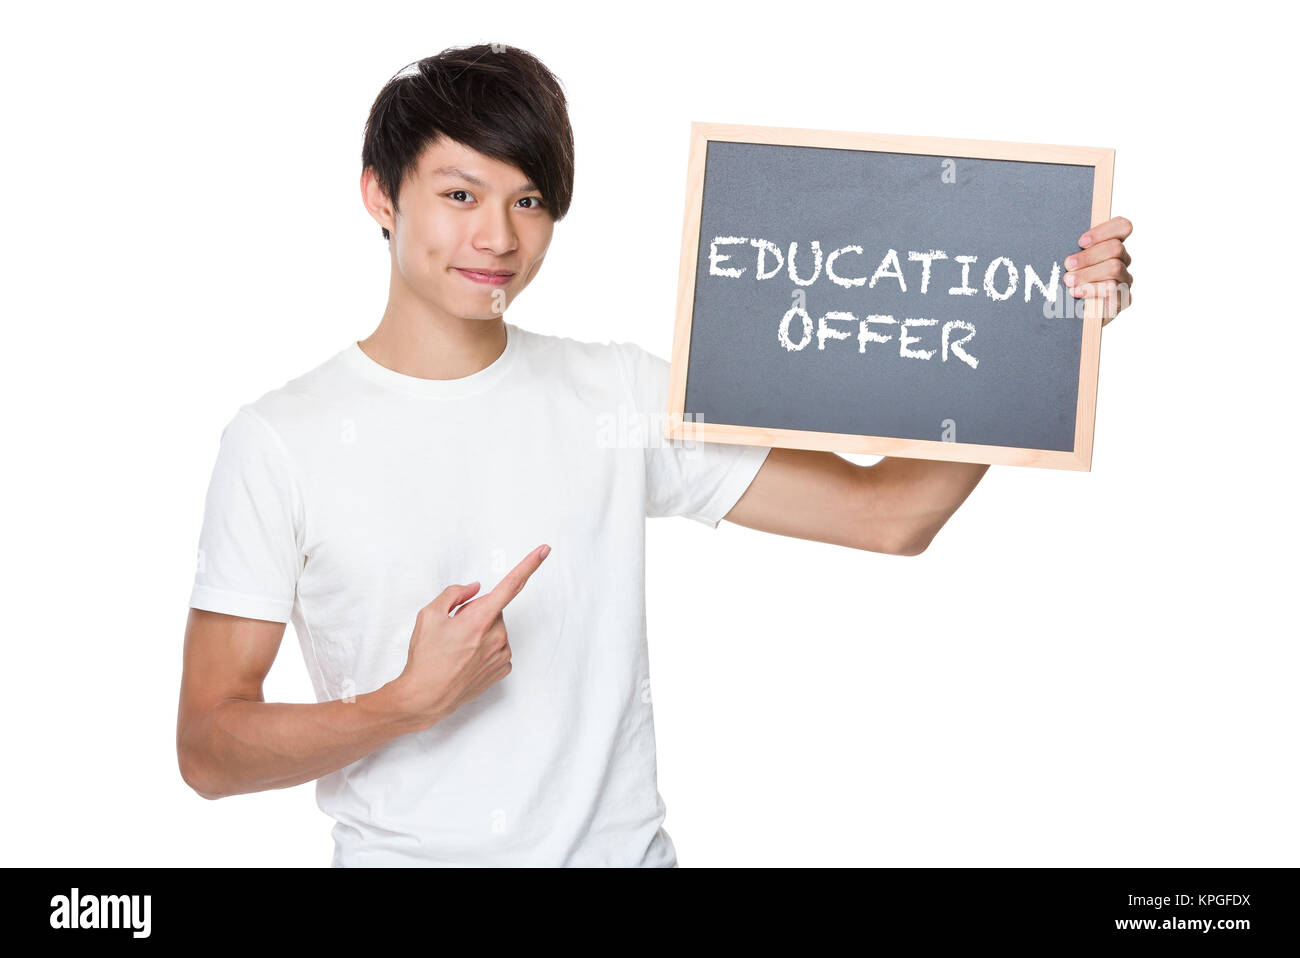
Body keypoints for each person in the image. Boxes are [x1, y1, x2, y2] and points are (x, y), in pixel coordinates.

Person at [176, 43, 1135, 867]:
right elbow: (209, 748)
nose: (498, 237)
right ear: (380, 195)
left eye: (530, 201)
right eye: (460, 194)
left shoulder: (619, 395)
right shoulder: (280, 442)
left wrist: (1046, 322)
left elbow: (888, 516)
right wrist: (403, 704)